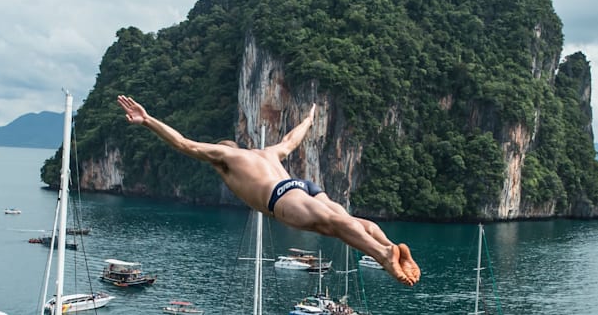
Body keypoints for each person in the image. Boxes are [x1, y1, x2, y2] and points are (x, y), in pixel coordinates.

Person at [117, 95, 420, 286]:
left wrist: (148, 121)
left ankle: (384, 255)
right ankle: (391, 245)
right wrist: (308, 121)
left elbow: (184, 144)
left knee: (335, 224)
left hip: (281, 196)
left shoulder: (226, 158)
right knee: (348, 223)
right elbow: (291, 140)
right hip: (304, 186)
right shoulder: (266, 153)